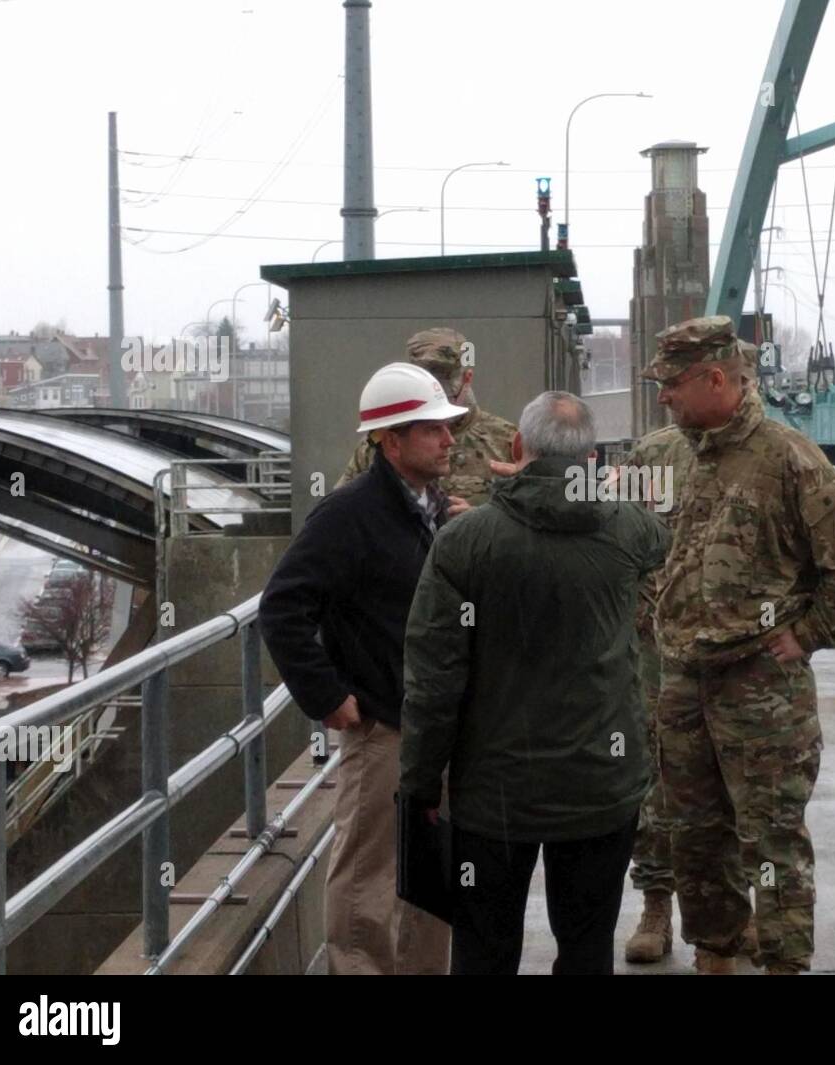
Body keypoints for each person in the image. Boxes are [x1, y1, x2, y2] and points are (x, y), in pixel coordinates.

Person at [644, 316, 835, 975]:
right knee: (695, 834)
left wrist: (807, 634)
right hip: (684, 680)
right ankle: (716, 951)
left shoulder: (788, 458)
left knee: (772, 837)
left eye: (672, 383)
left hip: (760, 688)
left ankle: (782, 961)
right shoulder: (677, 456)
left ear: (714, 379)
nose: (664, 396)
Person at [399, 391, 668, 975]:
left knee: (484, 951)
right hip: (601, 786)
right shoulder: (626, 528)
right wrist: (598, 489)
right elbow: (660, 536)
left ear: (517, 445)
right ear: (592, 457)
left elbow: (434, 681)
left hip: (494, 793)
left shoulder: (465, 542)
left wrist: (419, 784)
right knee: (588, 948)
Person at [259, 362, 467, 975]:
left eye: (448, 428)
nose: (449, 440)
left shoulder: (432, 509)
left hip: (435, 727)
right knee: (365, 881)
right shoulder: (349, 514)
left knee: (430, 876)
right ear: (391, 441)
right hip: (382, 728)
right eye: (432, 429)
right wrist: (327, 696)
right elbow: (282, 607)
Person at [621, 341, 760, 966]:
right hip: (660, 651)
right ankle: (656, 901)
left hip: (739, 652)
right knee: (659, 778)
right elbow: (618, 540)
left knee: (740, 782)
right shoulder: (654, 455)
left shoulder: (770, 454)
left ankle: (738, 908)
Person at [338, 327, 516, 503]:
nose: (437, 397)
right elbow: (342, 509)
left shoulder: (507, 440)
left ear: (467, 378)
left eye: (445, 390)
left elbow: (528, 513)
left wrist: (480, 518)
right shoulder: (384, 443)